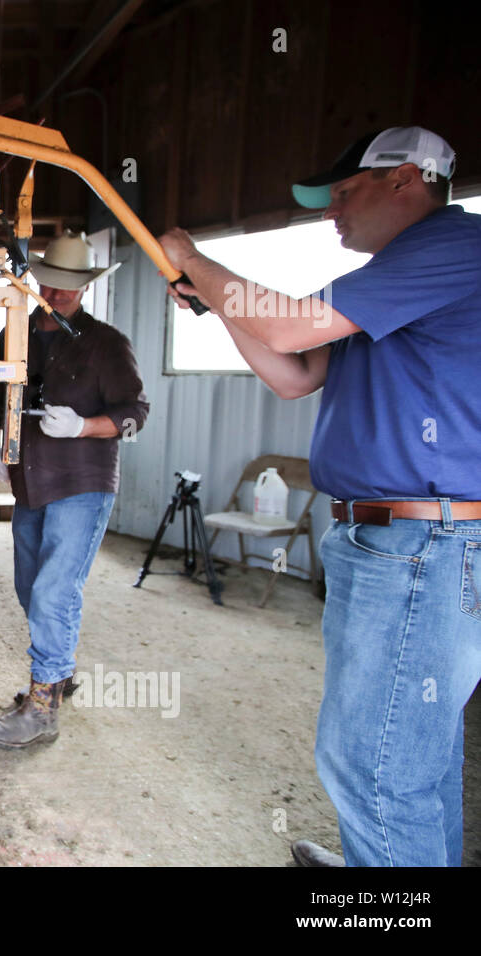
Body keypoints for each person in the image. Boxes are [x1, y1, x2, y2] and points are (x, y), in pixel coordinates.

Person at [158, 126, 481, 867]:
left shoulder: (448, 247)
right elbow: (293, 372)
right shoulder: (393, 284)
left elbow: (287, 323)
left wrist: (196, 261)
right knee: (408, 755)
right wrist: (218, 303)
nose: (333, 213)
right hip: (399, 543)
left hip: (420, 546)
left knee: (374, 764)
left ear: (406, 180)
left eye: (344, 193)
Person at [0, 232, 149, 748]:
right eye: (50, 284)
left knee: (55, 590)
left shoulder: (106, 343)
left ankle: (42, 707)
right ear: (36, 279)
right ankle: (56, 677)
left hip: (82, 481)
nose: (57, 296)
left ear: (84, 288)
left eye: (69, 289)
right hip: (30, 480)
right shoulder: (14, 335)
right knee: (29, 587)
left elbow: (134, 416)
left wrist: (84, 426)